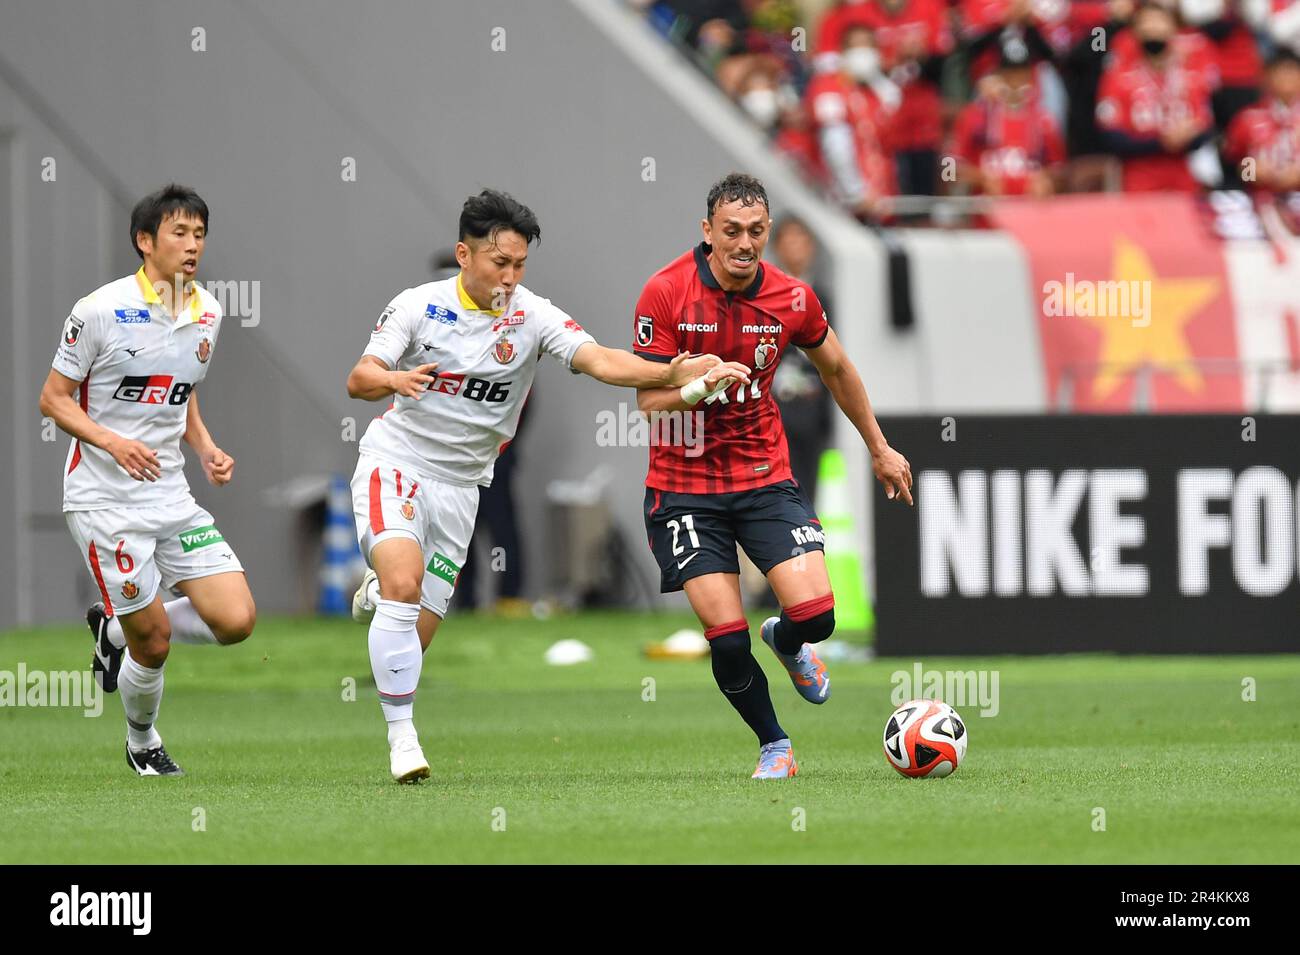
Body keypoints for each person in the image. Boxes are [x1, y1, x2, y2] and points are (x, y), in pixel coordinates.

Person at [345, 188, 749, 782]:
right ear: (464, 254)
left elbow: (601, 360)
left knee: (415, 632)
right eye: (498, 263)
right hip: (397, 463)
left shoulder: (532, 314)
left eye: (519, 264)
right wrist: (395, 379)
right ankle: (402, 739)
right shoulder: (417, 306)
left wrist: (672, 370)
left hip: (462, 487)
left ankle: (382, 595)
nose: (509, 277)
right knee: (405, 587)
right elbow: (359, 379)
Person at [634, 173, 913, 779]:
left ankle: (787, 641)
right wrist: (700, 385)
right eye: (731, 231)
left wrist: (879, 447)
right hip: (684, 488)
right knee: (728, 637)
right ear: (707, 231)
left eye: (756, 231)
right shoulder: (665, 293)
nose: (744, 243)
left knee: (819, 616)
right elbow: (648, 402)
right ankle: (775, 745)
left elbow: (837, 369)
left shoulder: (792, 297)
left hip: (762, 475)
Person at [38, 184, 256, 777]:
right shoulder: (98, 310)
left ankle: (114, 627)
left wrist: (206, 447)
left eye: (200, 234)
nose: (192, 246)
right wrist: (112, 441)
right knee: (154, 641)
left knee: (236, 621)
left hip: (171, 494)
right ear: (144, 241)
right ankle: (142, 743)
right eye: (179, 233)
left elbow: (178, 395)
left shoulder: (208, 312)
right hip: (103, 501)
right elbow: (53, 400)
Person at [1096, 1, 1218, 191]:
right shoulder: (1118, 78)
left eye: (1159, 22)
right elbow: (1110, 136)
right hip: (1137, 178)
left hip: (1183, 178)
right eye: (1146, 23)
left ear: (1173, 29)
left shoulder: (1188, 78)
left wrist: (1189, 136)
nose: (1153, 29)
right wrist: (1160, 142)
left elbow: (1206, 127)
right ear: (1135, 32)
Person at [950, 35, 1066, 196]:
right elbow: (947, 170)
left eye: (1022, 73)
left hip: (1029, 214)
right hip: (987, 215)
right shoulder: (975, 116)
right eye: (1009, 74)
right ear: (999, 75)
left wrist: (1045, 180)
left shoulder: (1044, 121)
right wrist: (981, 178)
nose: (1016, 81)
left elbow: (1059, 170)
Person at [1223, 46, 1300, 192]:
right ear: (1267, 78)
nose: (1286, 78)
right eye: (1279, 72)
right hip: (1259, 199)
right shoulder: (1248, 118)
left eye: (1292, 72)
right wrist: (1252, 171)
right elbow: (1231, 165)